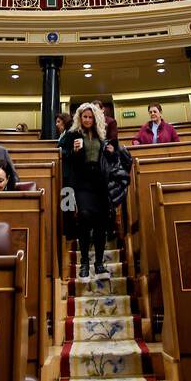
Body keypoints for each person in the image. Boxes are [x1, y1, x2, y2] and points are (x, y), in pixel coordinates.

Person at [59, 102, 130, 278]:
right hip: (82, 183)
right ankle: (84, 262)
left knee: (101, 223)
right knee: (84, 217)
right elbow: (63, 157)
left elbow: (111, 159)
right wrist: (75, 152)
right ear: (79, 117)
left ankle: (99, 263)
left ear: (95, 118)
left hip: (100, 182)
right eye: (85, 117)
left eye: (90, 117)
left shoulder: (101, 134)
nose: (88, 120)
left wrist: (112, 152)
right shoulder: (72, 134)